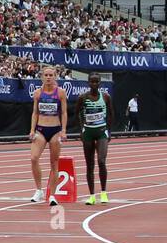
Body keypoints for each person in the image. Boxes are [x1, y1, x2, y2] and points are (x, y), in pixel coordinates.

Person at [29, 66, 68, 206]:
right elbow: (35, 113)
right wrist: (32, 130)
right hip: (40, 130)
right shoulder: (38, 93)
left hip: (55, 130)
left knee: (54, 163)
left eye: (51, 75)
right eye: (46, 75)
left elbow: (64, 113)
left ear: (55, 76)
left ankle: (52, 195)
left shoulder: (61, 93)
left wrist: (63, 130)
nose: (48, 77)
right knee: (33, 158)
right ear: (42, 77)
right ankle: (39, 190)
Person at [76, 75, 112, 205]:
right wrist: (81, 130)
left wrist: (109, 131)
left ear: (100, 83)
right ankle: (91, 196)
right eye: (92, 81)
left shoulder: (106, 97)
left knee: (101, 161)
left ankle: (103, 193)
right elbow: (77, 113)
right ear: (88, 83)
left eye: (97, 82)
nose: (94, 84)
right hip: (88, 132)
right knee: (89, 165)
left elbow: (111, 114)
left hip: (101, 131)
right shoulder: (83, 98)